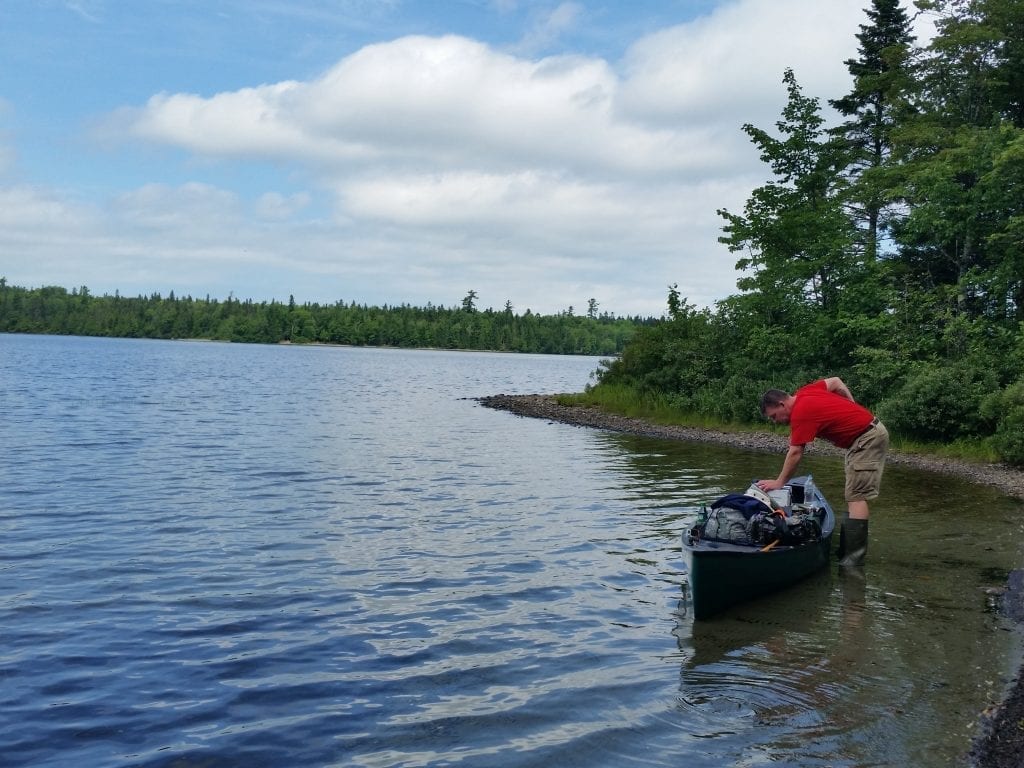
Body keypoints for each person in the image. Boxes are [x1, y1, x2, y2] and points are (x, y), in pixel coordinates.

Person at [755, 377, 888, 566]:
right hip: (862, 438)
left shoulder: (801, 412)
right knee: (852, 494)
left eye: (774, 416)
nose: (775, 421)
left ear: (781, 404)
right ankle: (845, 551)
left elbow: (795, 452)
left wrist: (779, 482)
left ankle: (853, 560)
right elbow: (836, 382)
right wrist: (852, 405)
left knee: (856, 496)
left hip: (867, 438)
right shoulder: (804, 393)